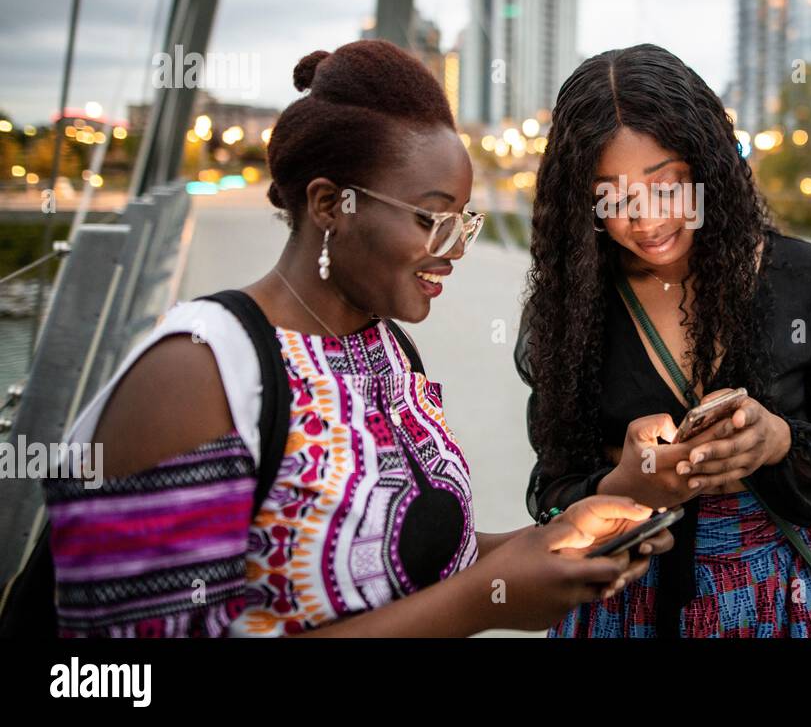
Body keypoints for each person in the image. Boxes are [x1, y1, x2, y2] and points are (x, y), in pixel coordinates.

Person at [42, 39, 671, 637]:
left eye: (464, 224)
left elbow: (418, 562)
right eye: (432, 219)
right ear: (327, 205)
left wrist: (557, 537)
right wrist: (480, 605)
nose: (454, 252)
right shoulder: (198, 375)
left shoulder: (387, 352)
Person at [515, 43, 811, 638]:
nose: (646, 219)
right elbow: (554, 492)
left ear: (707, 166)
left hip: (776, 602)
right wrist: (624, 485)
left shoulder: (809, 282)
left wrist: (778, 442)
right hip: (621, 605)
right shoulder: (573, 307)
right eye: (613, 195)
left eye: (666, 186)